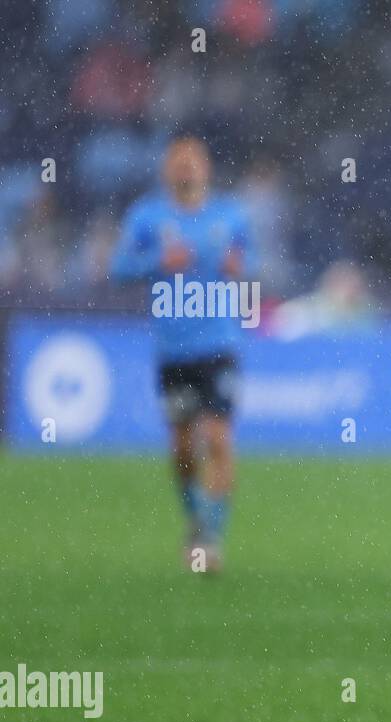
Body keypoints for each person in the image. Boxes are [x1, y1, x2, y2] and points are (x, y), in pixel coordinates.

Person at [110, 136, 256, 573]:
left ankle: (209, 540)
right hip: (173, 350)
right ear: (166, 170)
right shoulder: (147, 215)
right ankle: (196, 520)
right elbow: (118, 269)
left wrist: (240, 268)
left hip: (220, 345)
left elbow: (252, 260)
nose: (187, 169)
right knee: (182, 450)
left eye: (194, 162)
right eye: (179, 162)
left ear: (207, 169)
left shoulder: (231, 215)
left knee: (218, 440)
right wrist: (158, 260)